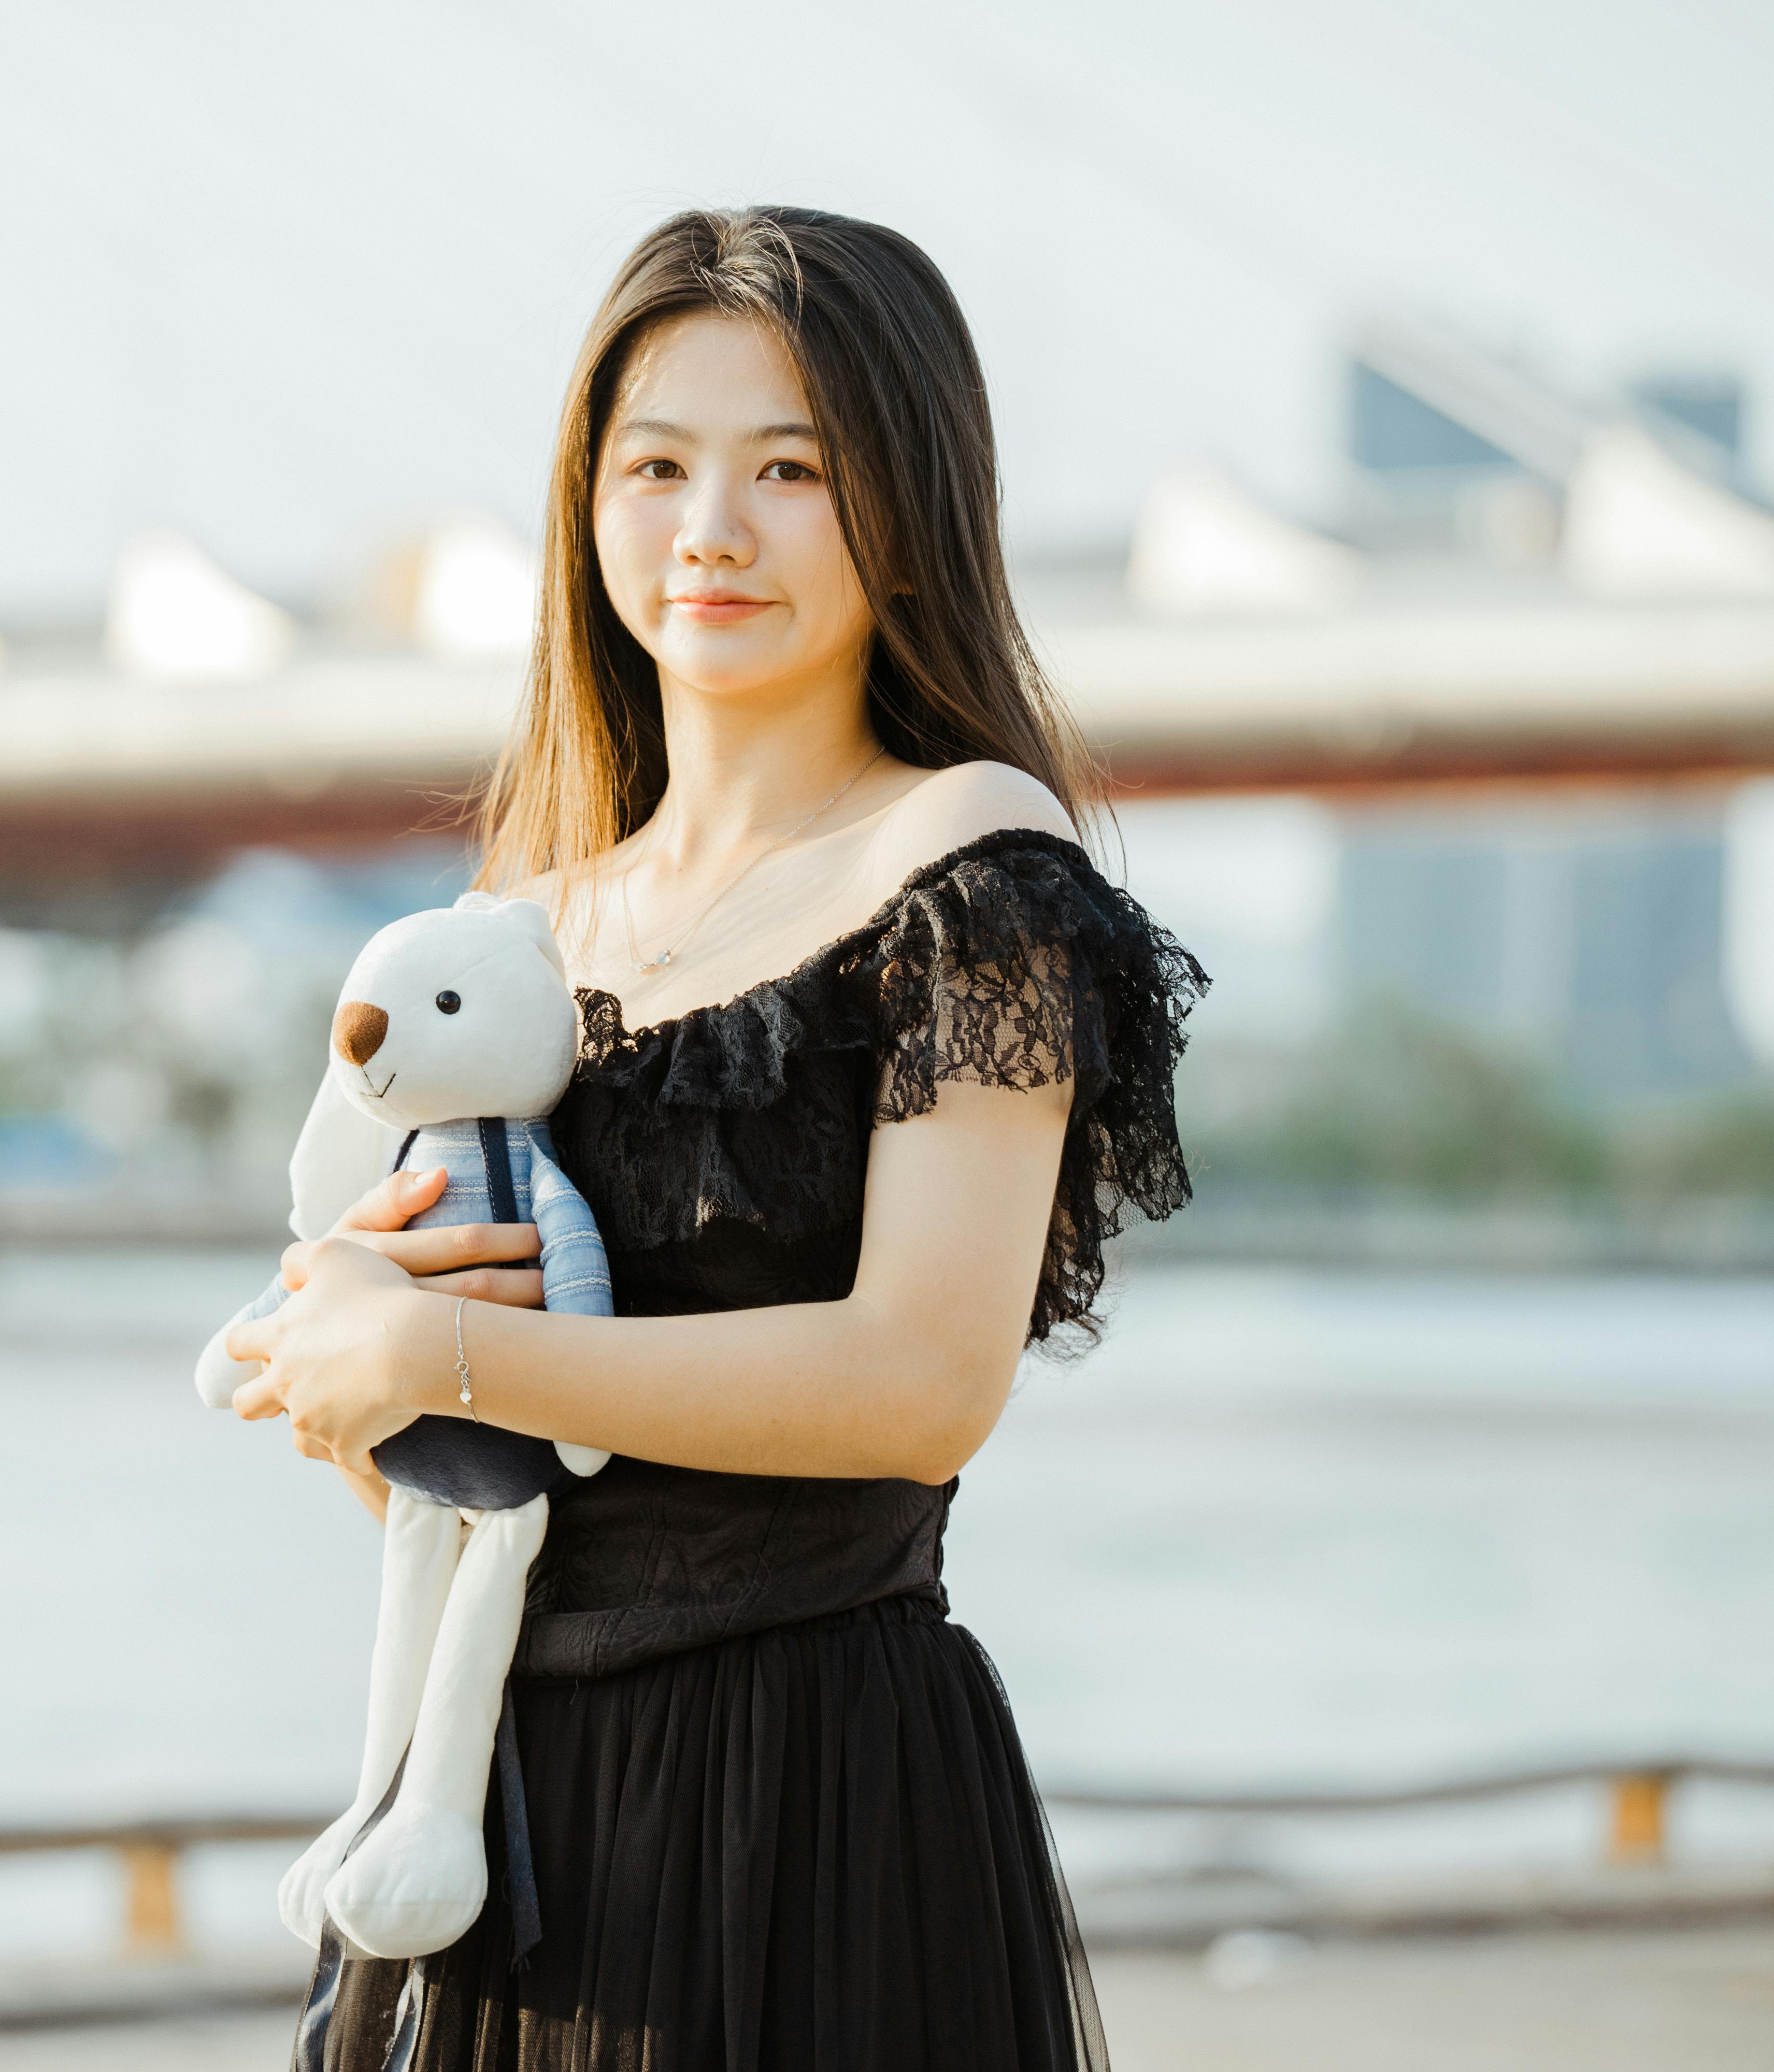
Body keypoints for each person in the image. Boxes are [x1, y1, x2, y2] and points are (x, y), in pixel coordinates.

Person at [224, 205, 1203, 2072]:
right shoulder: (518, 932)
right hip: (502, 1810)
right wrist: (353, 1369)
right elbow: (429, 1454)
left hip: (805, 1802)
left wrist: (442, 1340)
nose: (711, 533)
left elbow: (923, 1382)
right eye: (656, 466)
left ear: (911, 500)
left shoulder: (973, 878)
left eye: (792, 471)